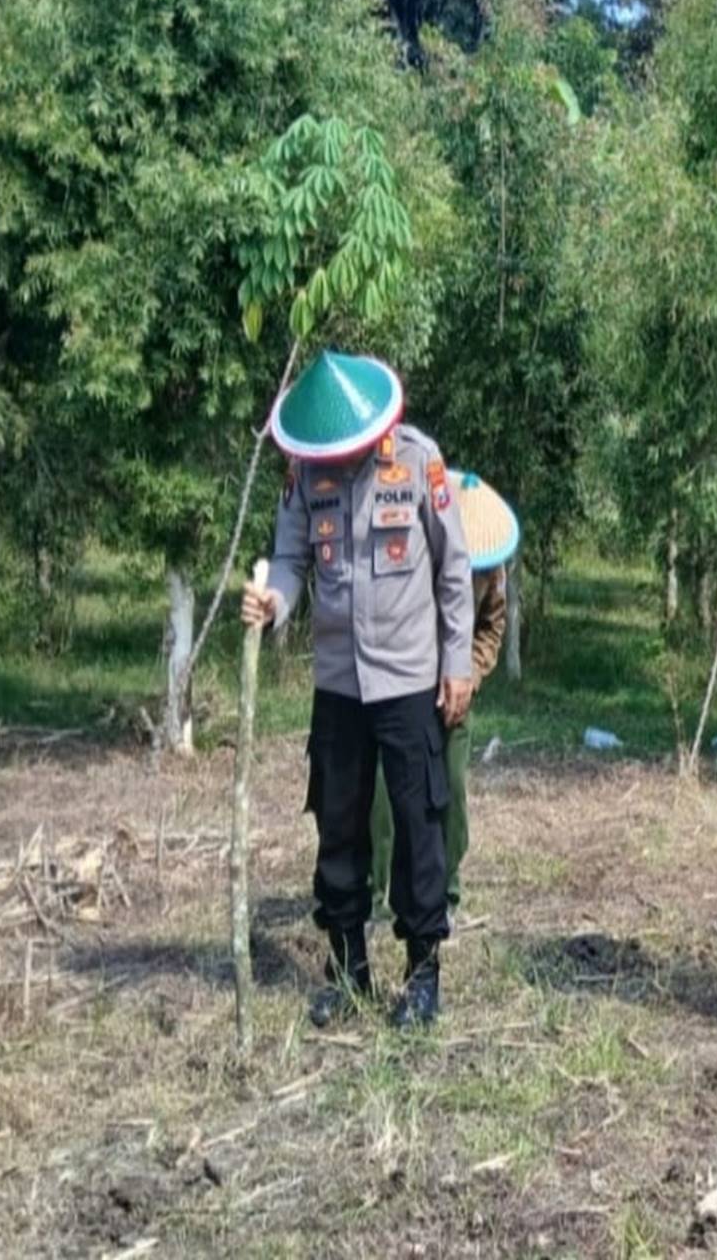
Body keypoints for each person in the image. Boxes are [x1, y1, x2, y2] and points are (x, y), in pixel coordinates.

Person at [241, 351, 473, 1029]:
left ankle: (423, 975)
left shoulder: (419, 461)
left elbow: (454, 569)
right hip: (339, 684)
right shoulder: (306, 471)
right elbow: (289, 560)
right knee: (338, 824)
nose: (344, 460)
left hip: (408, 681)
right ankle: (348, 972)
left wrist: (456, 662)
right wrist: (272, 604)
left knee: (417, 824)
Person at [369, 472, 517, 919]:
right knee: (380, 797)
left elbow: (491, 628)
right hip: (400, 686)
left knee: (449, 793)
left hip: (455, 696)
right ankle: (373, 898)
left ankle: (444, 893)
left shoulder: (491, 570)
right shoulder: (411, 553)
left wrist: (468, 675)